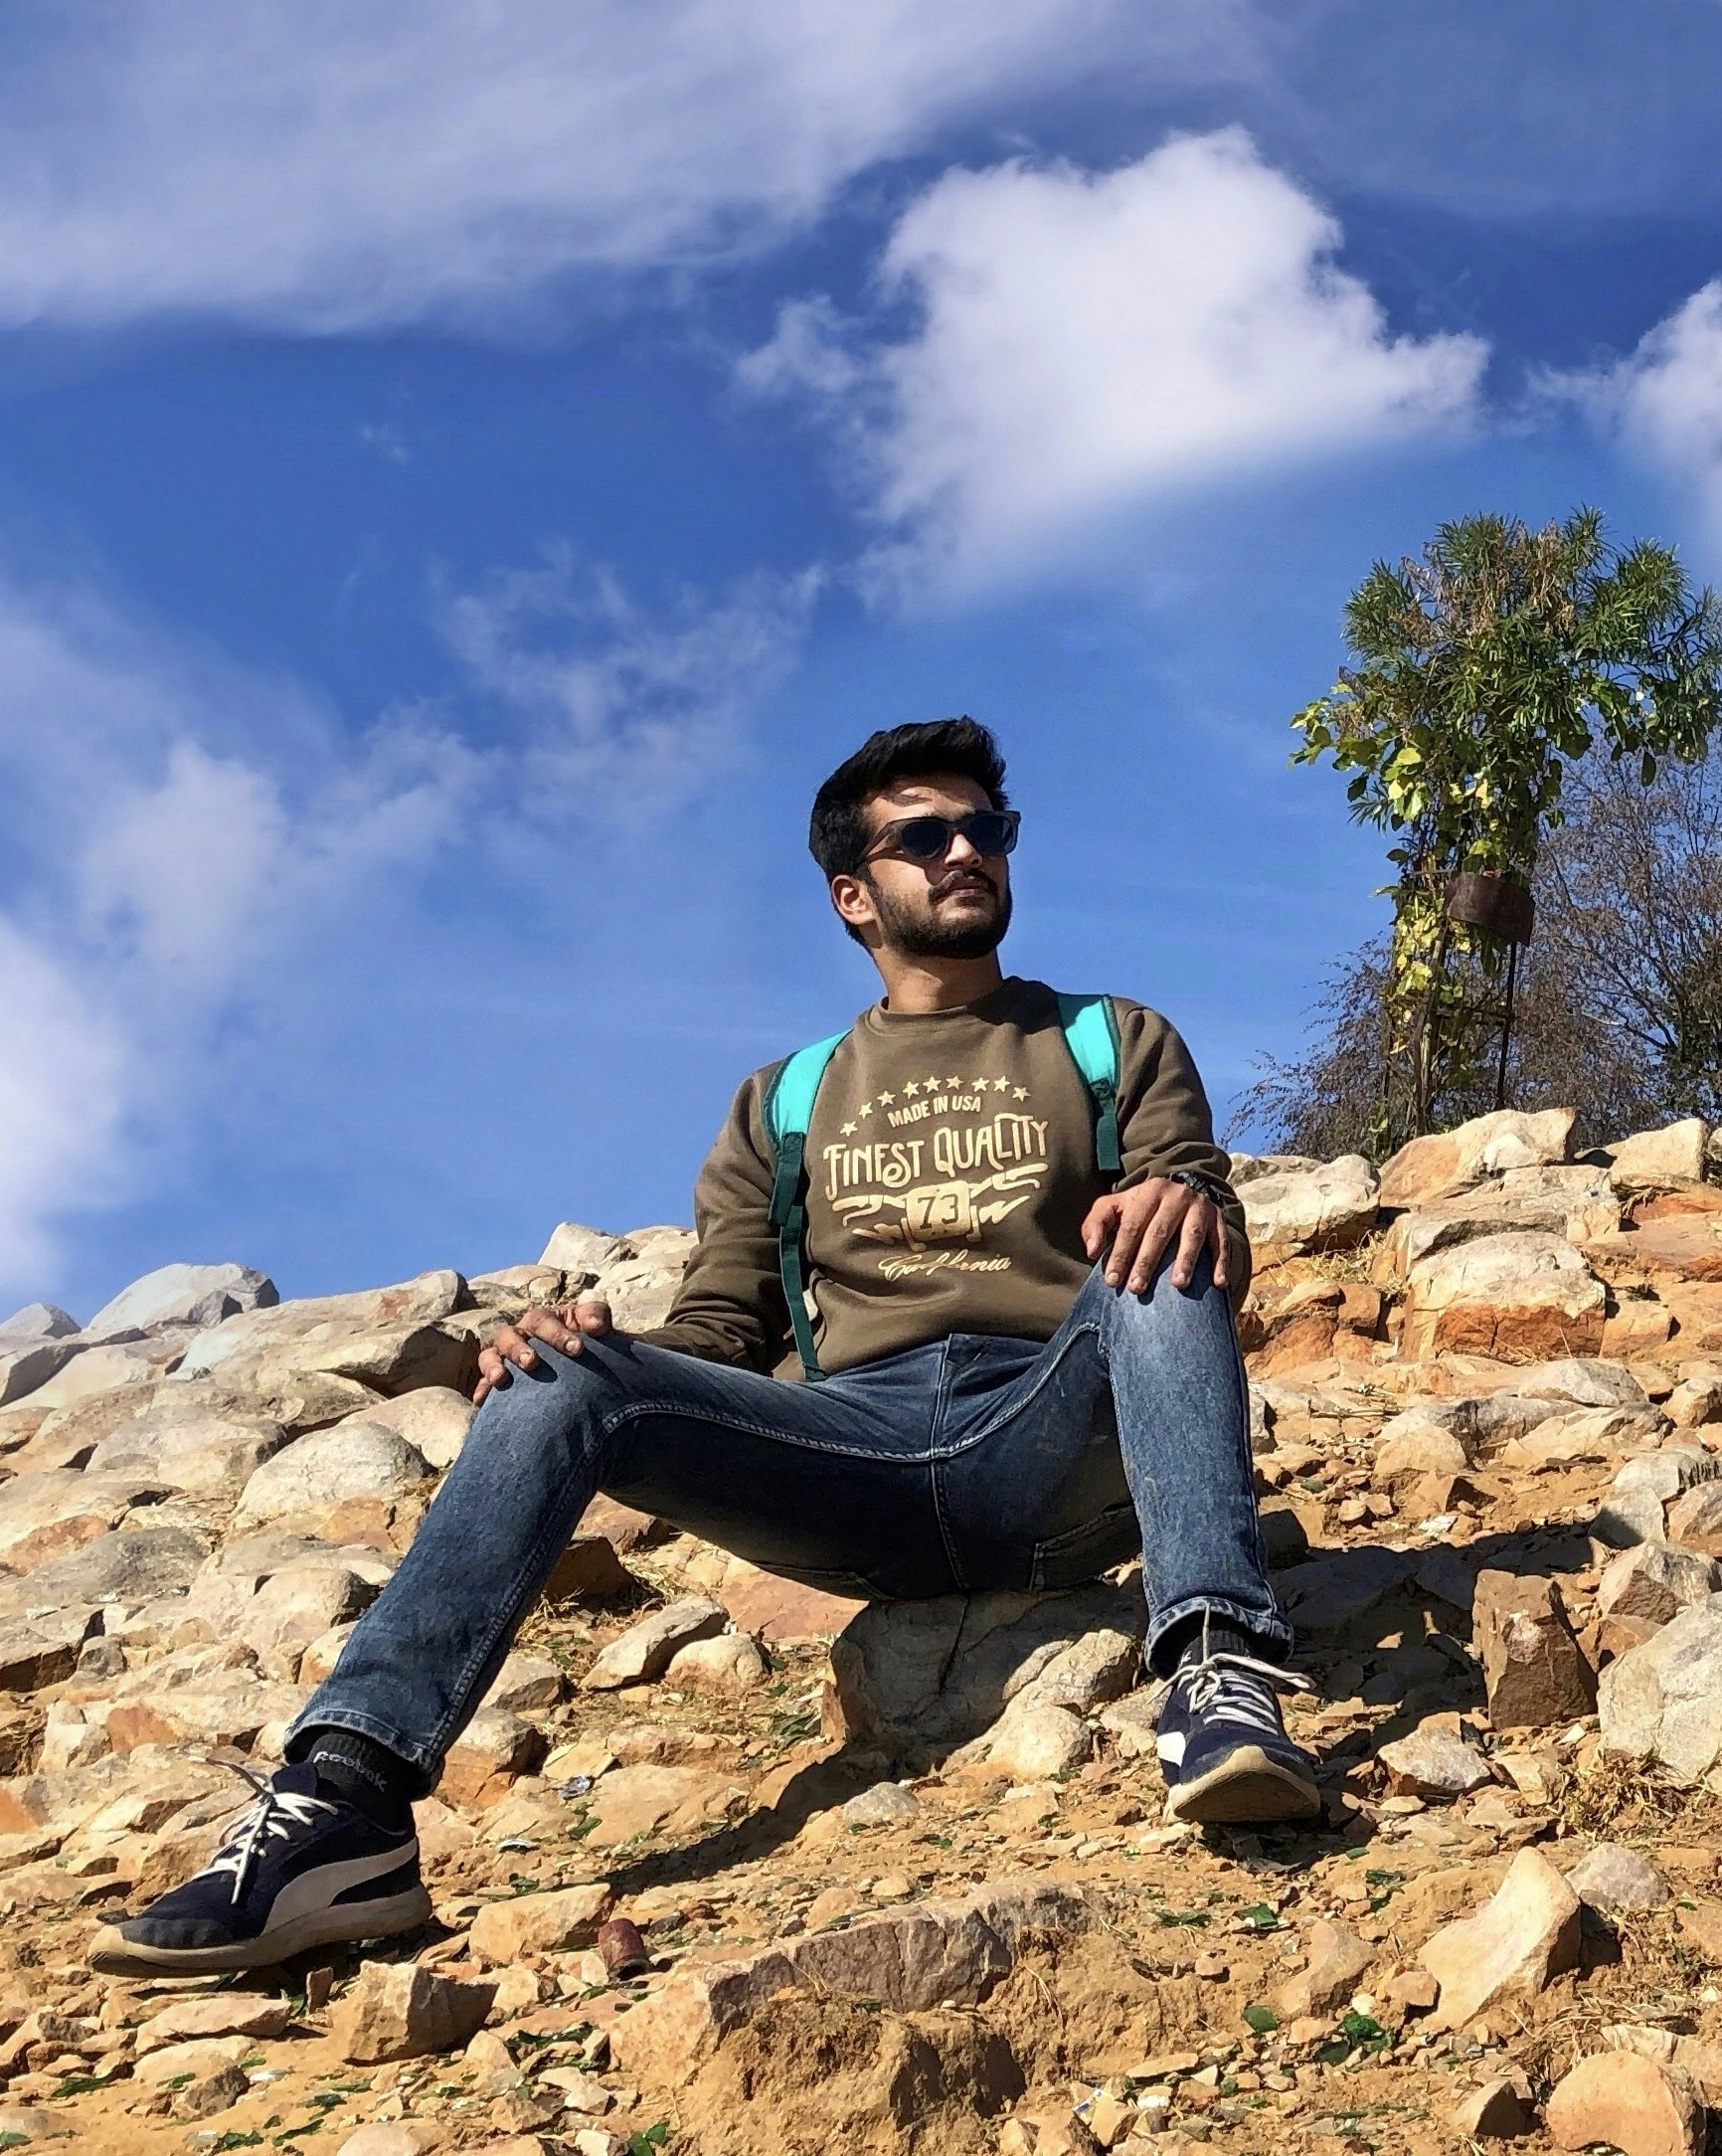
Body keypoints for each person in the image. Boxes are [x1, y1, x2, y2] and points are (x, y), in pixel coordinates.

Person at [91, 718, 1317, 1978]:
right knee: (555, 1374)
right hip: (861, 1459)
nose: (967, 851)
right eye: (925, 835)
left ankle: (1219, 1671)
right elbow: (718, 1329)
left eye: (986, 829)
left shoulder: (1110, 1038)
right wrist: (591, 1356)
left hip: (1059, 1430)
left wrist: (1189, 1201)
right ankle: (344, 1806)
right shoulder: (782, 1101)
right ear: (853, 893)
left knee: (1164, 1253)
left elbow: (1203, 1228)